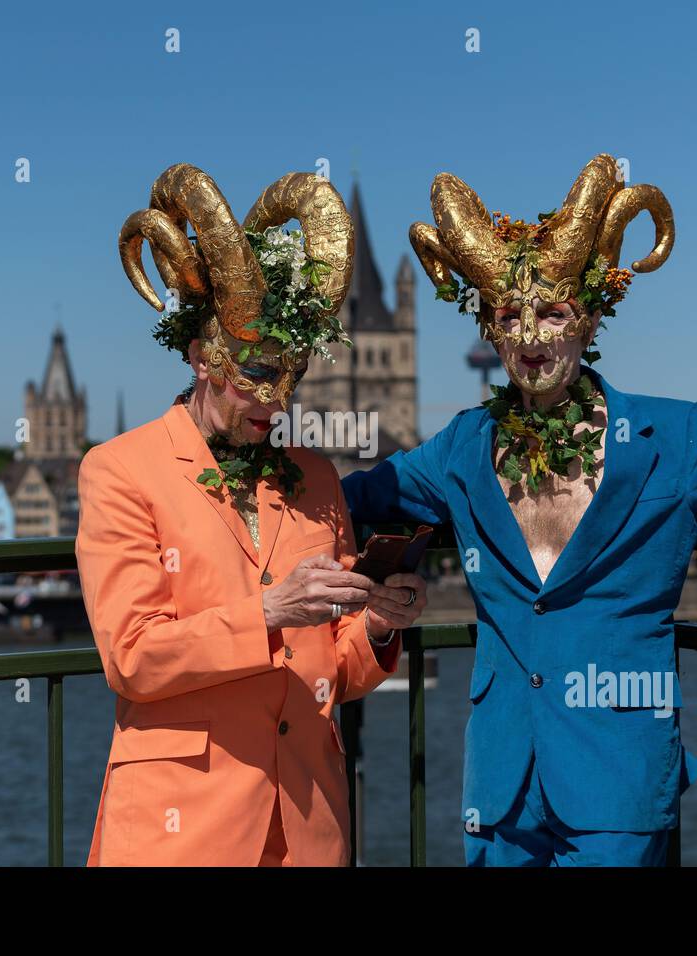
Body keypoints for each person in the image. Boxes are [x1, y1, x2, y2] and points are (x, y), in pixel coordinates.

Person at [341, 154, 697, 866]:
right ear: (490, 329)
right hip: (500, 784)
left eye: (553, 313)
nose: (532, 338)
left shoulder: (676, 435)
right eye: (509, 316)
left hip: (618, 778)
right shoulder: (462, 446)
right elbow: (343, 500)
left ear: (589, 318)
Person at [76, 163, 428, 866]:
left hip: (308, 826)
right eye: (259, 375)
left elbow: (335, 668)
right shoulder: (120, 470)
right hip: (182, 830)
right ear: (201, 356)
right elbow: (133, 658)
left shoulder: (317, 477)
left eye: (293, 375)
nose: (279, 401)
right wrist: (269, 611)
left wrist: (379, 626)